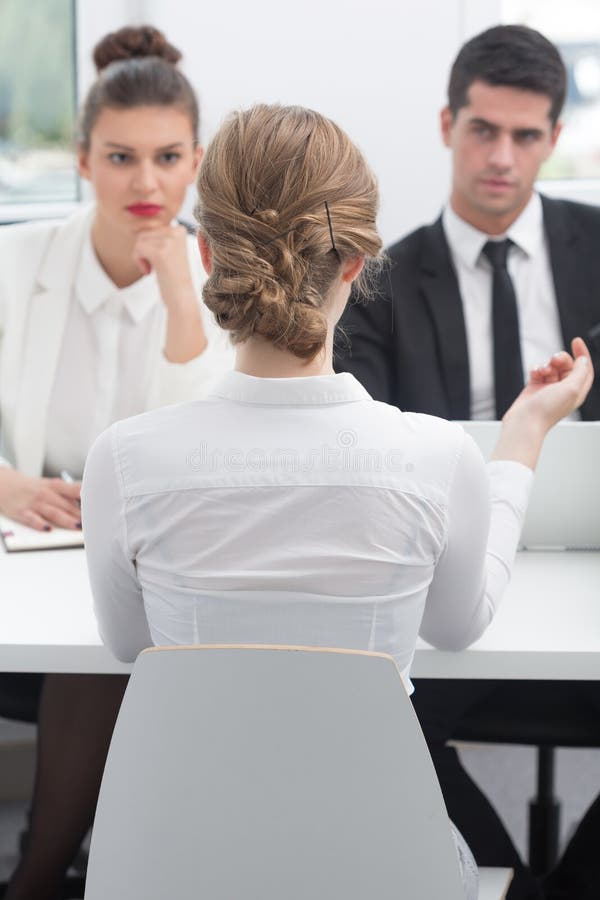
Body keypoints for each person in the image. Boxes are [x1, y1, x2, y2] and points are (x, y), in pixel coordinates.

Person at [80, 103, 593, 900]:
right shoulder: (435, 458)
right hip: (385, 872)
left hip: (178, 866)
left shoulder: (124, 458)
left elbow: (129, 646)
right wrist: (522, 437)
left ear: (209, 253)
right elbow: (457, 626)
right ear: (355, 261)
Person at [335, 24, 600, 900]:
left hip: (584, 574)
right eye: (483, 129)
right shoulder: (379, 282)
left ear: (554, 139)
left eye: (526, 136)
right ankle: (519, 885)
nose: (502, 156)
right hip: (442, 582)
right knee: (377, 723)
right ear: (447, 123)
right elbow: (363, 437)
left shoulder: (597, 249)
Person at [0, 25, 232, 900]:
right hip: (27, 539)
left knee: (112, 640)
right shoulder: (17, 259)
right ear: (83, 158)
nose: (146, 183)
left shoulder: (217, 278)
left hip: (155, 553)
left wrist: (180, 295)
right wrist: (7, 484)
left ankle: (45, 873)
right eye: (120, 157)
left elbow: (204, 446)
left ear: (196, 159)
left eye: (168, 157)